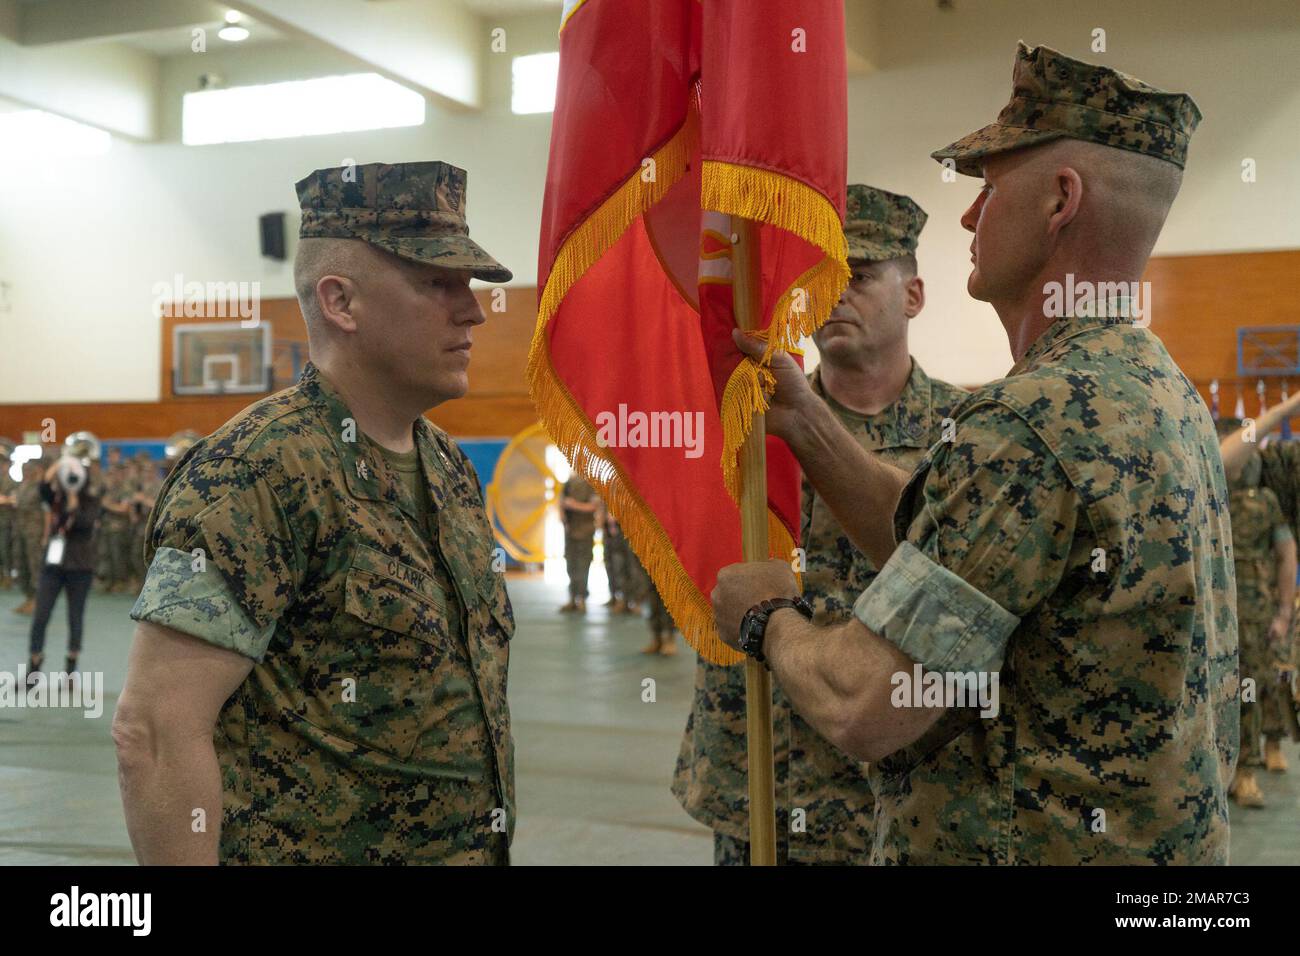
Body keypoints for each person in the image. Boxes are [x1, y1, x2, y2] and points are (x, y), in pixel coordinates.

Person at [711, 43, 1235, 865]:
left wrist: (766, 615)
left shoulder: (1027, 423)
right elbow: (962, 561)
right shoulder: (1157, 388)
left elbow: (866, 702)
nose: (966, 216)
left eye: (988, 188)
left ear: (1061, 199)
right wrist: (810, 422)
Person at [112, 161, 517, 865]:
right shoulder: (257, 472)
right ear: (341, 302)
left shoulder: (447, 468)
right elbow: (155, 730)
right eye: (436, 283)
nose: (473, 311)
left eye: (470, 285)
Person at [674, 184, 967, 865]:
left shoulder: (966, 438)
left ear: (914, 296)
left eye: (859, 277)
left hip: (903, 786)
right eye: (821, 278)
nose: (833, 296)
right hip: (764, 772)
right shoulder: (744, 426)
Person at [1213, 419, 1294, 805]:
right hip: (1209, 614)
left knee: (1250, 691)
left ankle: (1246, 772)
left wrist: (1282, 612)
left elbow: (1286, 555)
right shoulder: (1206, 494)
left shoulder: (1265, 503)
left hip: (1253, 614)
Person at [26, 456, 101, 680]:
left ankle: (70, 668)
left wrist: (74, 501)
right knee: (41, 615)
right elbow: (42, 486)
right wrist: (63, 462)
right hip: (53, 566)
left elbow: (84, 525)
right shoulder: (55, 498)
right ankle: (34, 665)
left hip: (80, 567)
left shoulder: (90, 501)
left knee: (75, 617)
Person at [11, 458, 47, 615]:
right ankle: (28, 597)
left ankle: (38, 601)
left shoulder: (40, 488)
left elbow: (47, 513)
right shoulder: (21, 487)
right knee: (21, 564)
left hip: (35, 532)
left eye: (28, 470)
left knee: (35, 567)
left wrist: (46, 534)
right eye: (23, 469)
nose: (25, 472)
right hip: (20, 532)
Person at [559, 473, 598, 613]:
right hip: (570, 531)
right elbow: (561, 502)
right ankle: (572, 598)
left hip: (585, 531)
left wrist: (574, 505)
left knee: (583, 565)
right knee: (571, 565)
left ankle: (581, 599)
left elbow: (593, 506)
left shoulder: (591, 483)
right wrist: (563, 517)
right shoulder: (569, 482)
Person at [0, 447, 15, 590]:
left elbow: (15, 499)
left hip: (5, 521)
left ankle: (8, 576)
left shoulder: (11, 481)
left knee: (5, 549)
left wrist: (4, 499)